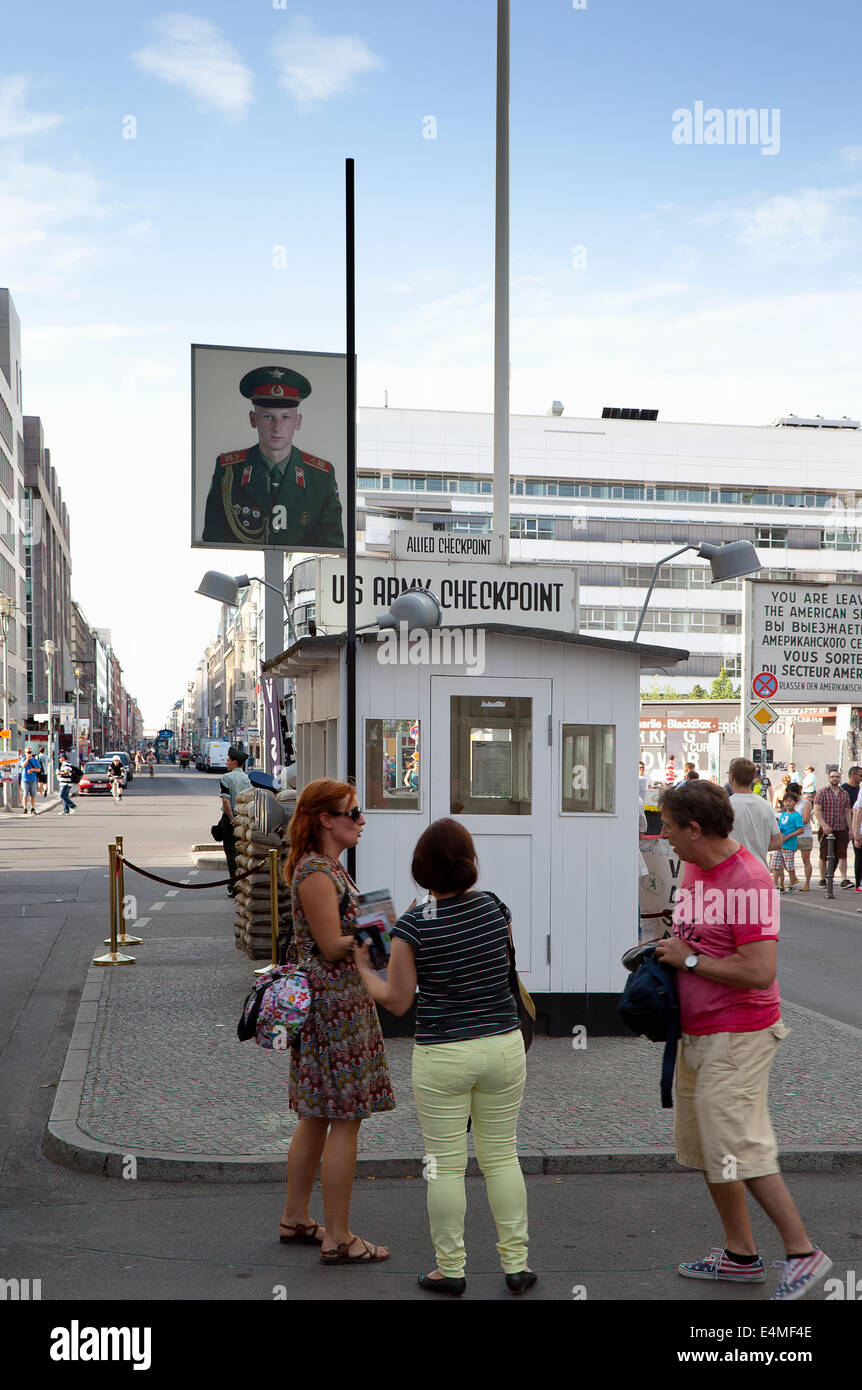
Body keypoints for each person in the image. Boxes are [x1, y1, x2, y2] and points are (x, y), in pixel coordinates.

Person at [655, 780, 833, 1302]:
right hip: (697, 1029)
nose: (661, 835)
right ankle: (739, 1256)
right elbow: (698, 936)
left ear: (694, 828)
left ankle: (803, 1251)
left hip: (739, 1032)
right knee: (713, 1146)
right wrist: (669, 947)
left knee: (739, 1142)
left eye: (668, 825)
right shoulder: (693, 867)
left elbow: (758, 970)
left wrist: (687, 960)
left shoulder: (750, 881)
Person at [355, 818, 532, 1297]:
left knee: (445, 1165)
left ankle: (451, 1271)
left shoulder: (411, 926)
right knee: (502, 1156)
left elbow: (396, 999)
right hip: (502, 1045)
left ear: (422, 871)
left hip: (444, 1053)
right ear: (470, 864)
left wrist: (363, 964)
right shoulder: (496, 907)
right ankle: (516, 1264)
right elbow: (504, 963)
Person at [279, 779, 394, 1264]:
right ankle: (340, 1237)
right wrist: (379, 934)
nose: (362, 821)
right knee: (345, 1119)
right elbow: (331, 945)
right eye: (354, 812)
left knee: (317, 1115)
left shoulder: (325, 868)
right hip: (335, 1009)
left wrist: (378, 925)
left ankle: (296, 1218)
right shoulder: (317, 873)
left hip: (333, 1006)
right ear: (326, 818)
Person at [202, 366, 344, 548]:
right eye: (268, 416)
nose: (277, 427)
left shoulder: (321, 476)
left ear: (298, 421)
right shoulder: (229, 470)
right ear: (253, 419)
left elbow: (332, 550)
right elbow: (214, 542)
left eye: (285, 417)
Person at [727, 757, 782, 865]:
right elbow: (777, 842)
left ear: (732, 776)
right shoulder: (765, 805)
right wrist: (758, 847)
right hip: (759, 869)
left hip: (734, 869)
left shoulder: (726, 806)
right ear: (753, 777)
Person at [219, 746, 251, 898]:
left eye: (228, 761)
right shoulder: (248, 778)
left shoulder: (226, 777)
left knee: (231, 852)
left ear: (234, 762)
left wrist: (232, 818)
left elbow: (225, 800)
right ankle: (244, 883)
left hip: (230, 819)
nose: (227, 763)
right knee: (242, 852)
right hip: (244, 819)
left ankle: (234, 884)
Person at [813, 767, 853, 888]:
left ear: (840, 778)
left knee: (842, 854)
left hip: (841, 828)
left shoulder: (844, 793)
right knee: (824, 854)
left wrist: (850, 828)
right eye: (832, 776)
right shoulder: (822, 792)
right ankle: (822, 878)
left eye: (837, 776)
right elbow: (817, 810)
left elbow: (847, 812)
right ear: (828, 778)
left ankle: (844, 879)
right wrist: (823, 824)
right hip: (827, 828)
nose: (834, 778)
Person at [770, 792, 804, 893]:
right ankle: (775, 885)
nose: (787, 803)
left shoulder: (796, 815)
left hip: (789, 845)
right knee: (775, 865)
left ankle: (792, 884)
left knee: (789, 866)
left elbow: (800, 829)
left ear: (795, 803)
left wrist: (788, 836)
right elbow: (780, 827)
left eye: (790, 801)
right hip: (779, 844)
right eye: (785, 801)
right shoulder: (783, 815)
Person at [787, 782, 814, 891]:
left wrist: (792, 823)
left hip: (804, 835)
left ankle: (807, 883)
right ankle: (793, 879)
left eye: (793, 794)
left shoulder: (805, 803)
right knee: (787, 859)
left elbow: (806, 819)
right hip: (792, 835)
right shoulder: (789, 803)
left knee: (805, 860)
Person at [20, 747, 40, 815]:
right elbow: (23, 765)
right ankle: (25, 808)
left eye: (30, 752)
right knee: (25, 794)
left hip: (33, 780)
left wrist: (33, 770)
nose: (29, 753)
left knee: (33, 795)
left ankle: (32, 808)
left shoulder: (35, 760)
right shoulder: (23, 759)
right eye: (27, 752)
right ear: (25, 753)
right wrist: (28, 758)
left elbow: (39, 769)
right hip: (25, 780)